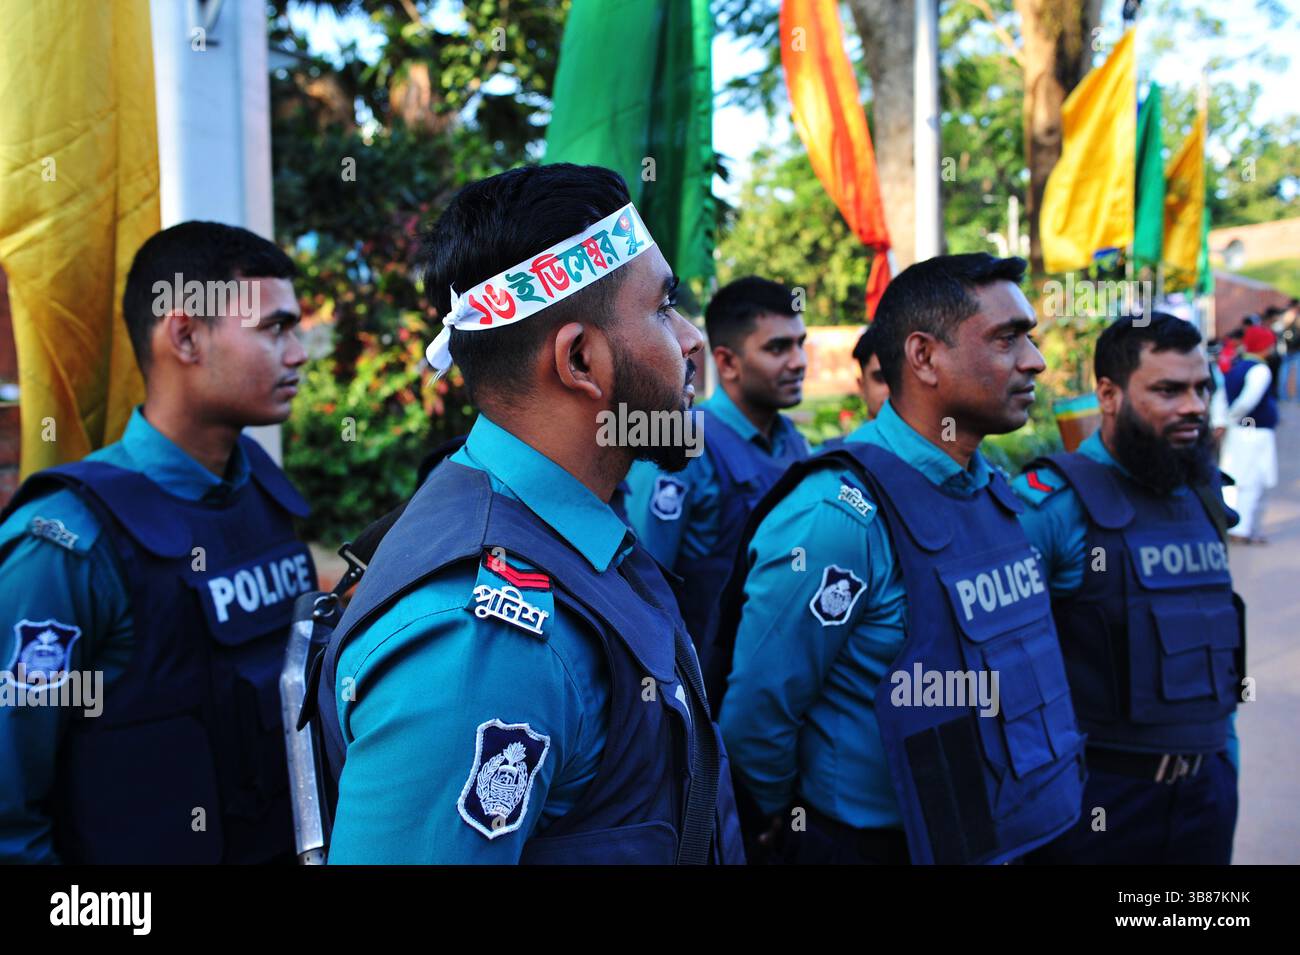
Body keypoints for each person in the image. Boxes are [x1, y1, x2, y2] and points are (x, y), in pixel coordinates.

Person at [315, 163, 744, 864]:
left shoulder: (570, 531)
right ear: (581, 358)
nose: (693, 341)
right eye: (665, 309)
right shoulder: (480, 641)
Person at [714, 253, 1084, 865]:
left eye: (1031, 337)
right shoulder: (836, 515)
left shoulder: (990, 488)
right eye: (1007, 339)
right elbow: (759, 712)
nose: (1034, 361)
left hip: (1001, 836)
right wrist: (778, 825)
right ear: (923, 356)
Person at [0, 221, 314, 863]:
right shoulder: (65, 543)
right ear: (186, 335)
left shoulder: (265, 495)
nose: (299, 353)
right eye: (273, 328)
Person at [1014, 313, 1243, 864]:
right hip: (1098, 806)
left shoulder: (1203, 494)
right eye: (1168, 390)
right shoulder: (1050, 504)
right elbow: (993, 665)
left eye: (1201, 388)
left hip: (1205, 796)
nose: (1193, 405)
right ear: (1109, 395)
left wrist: (1223, 765)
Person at [623, 276, 811, 653]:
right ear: (726, 361)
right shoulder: (681, 441)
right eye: (778, 348)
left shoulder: (794, 442)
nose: (798, 362)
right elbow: (643, 582)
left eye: (800, 344)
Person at [1215, 323, 1278, 544]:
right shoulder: (1259, 369)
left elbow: (1221, 398)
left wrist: (1222, 421)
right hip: (1253, 432)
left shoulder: (1237, 366)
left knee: (1235, 478)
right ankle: (1241, 528)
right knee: (1252, 480)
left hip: (1240, 431)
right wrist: (1232, 418)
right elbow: (1248, 400)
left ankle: (1236, 524)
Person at [852, 322, 890, 420]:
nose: (891, 388)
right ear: (862, 386)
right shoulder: (858, 436)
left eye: (899, 379)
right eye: (880, 378)